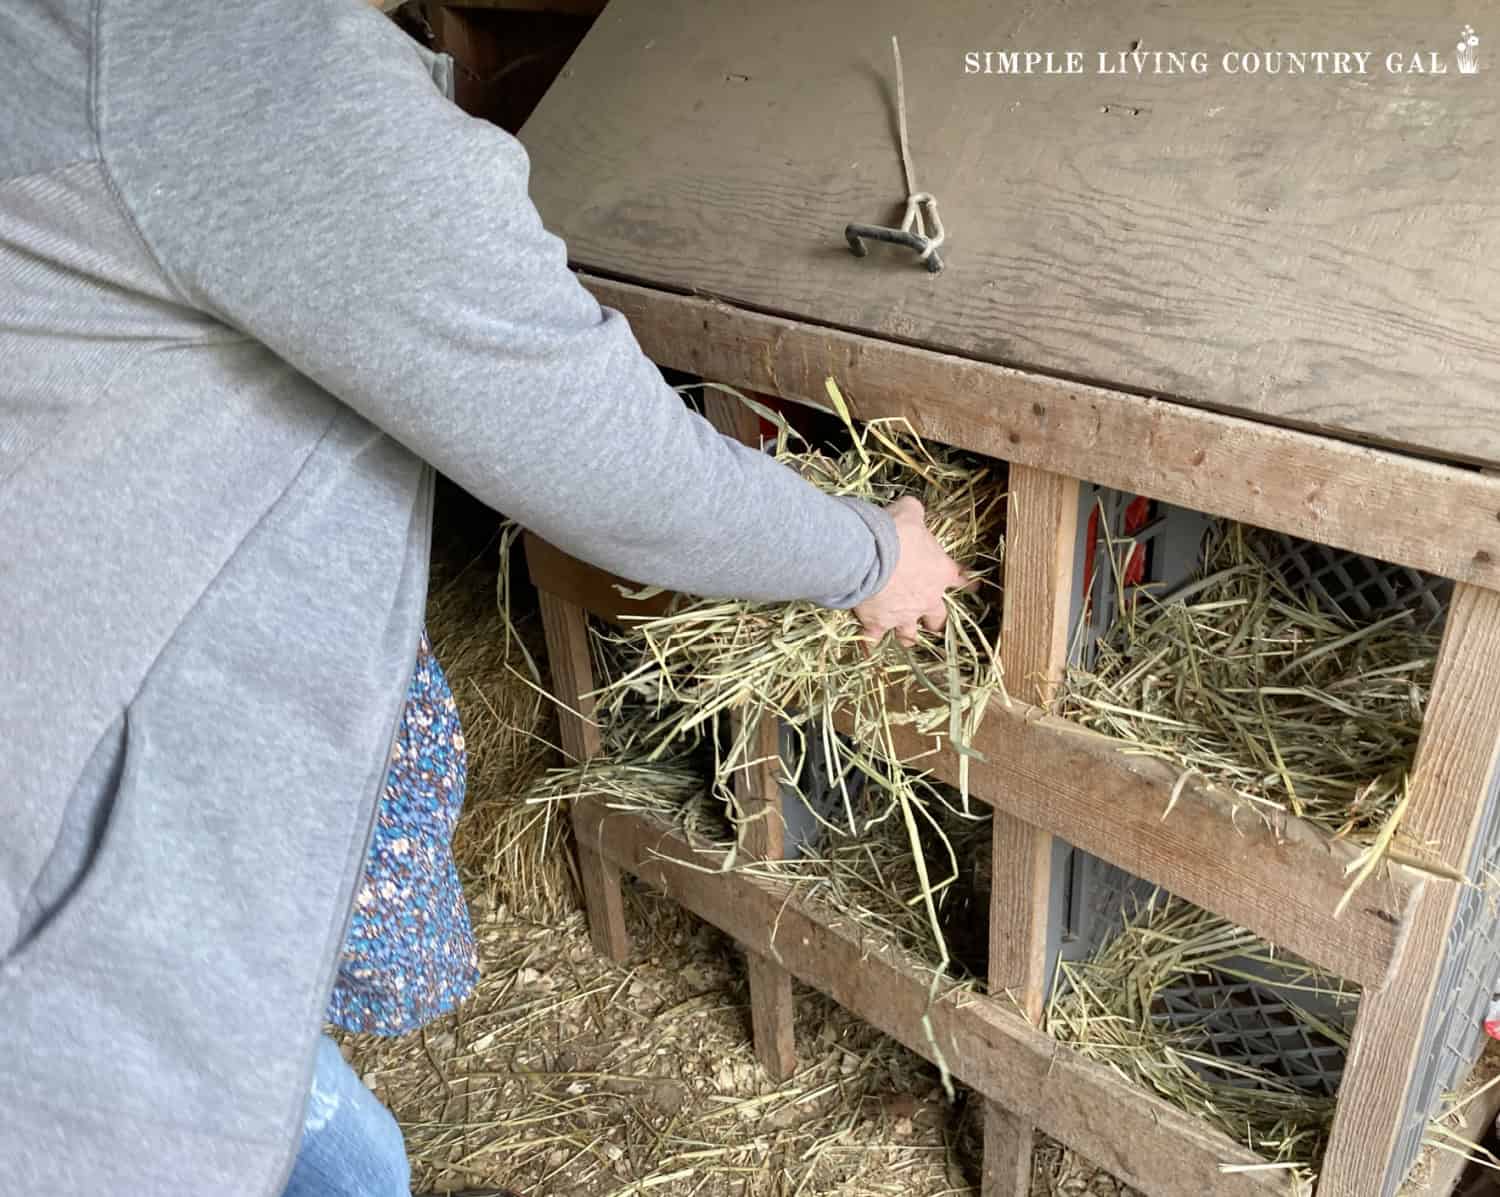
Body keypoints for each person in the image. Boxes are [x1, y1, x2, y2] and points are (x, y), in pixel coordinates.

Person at [0, 2, 968, 1195]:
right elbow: (604, 461)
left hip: (68, 784)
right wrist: (874, 556)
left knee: (340, 1147)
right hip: (75, 912)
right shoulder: (232, 52)